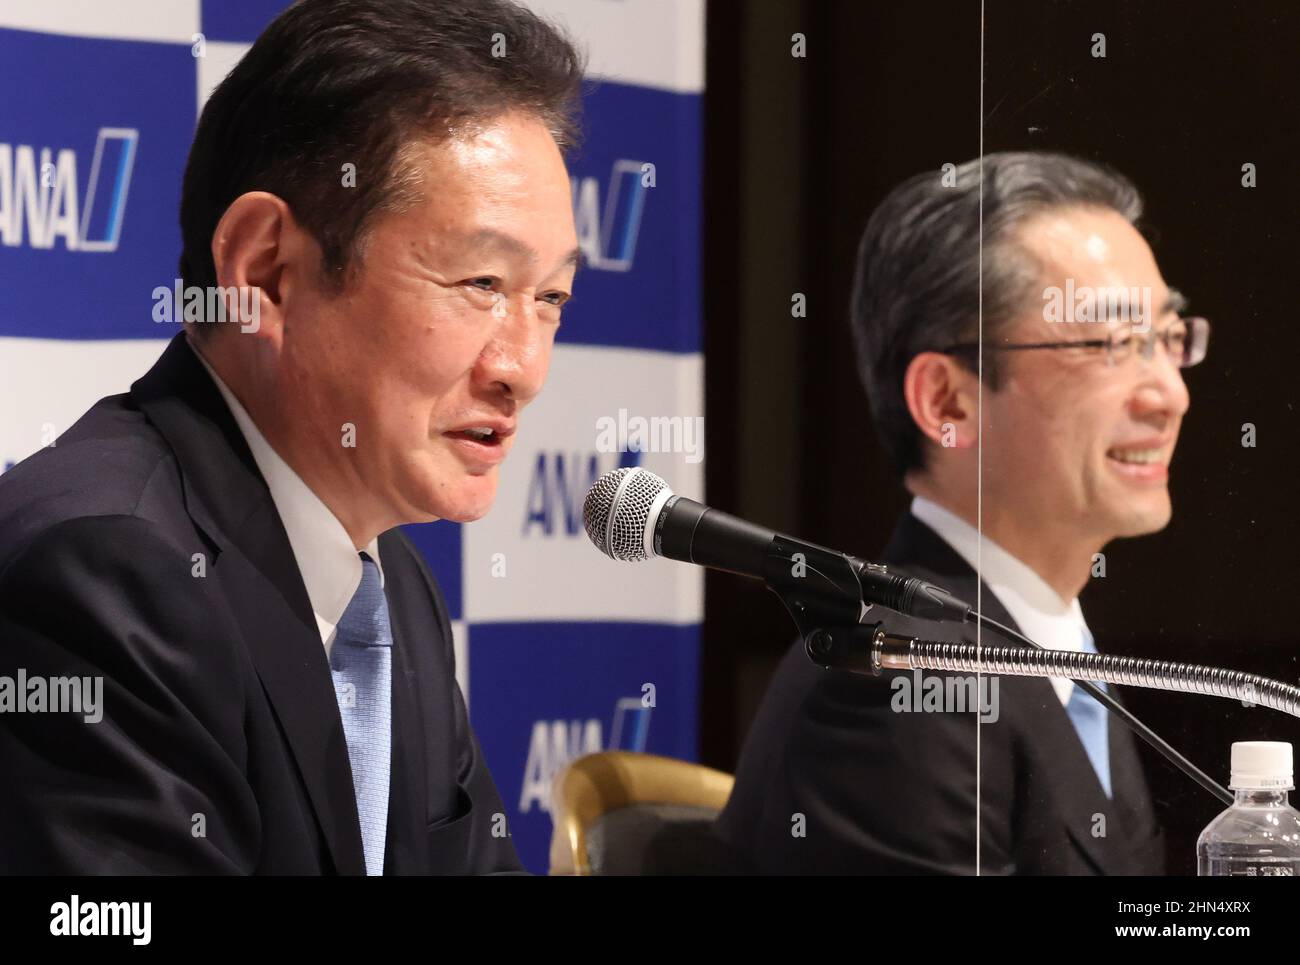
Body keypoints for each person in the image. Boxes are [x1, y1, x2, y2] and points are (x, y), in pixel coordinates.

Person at [0, 0, 583, 874]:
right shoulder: (103, 574)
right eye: (481, 280)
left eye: (551, 299)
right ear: (265, 271)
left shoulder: (395, 596)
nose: (524, 367)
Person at [718, 152, 1207, 874]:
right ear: (948, 402)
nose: (1169, 393)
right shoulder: (899, 681)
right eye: (1110, 344)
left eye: (1167, 339)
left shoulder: (1055, 652)